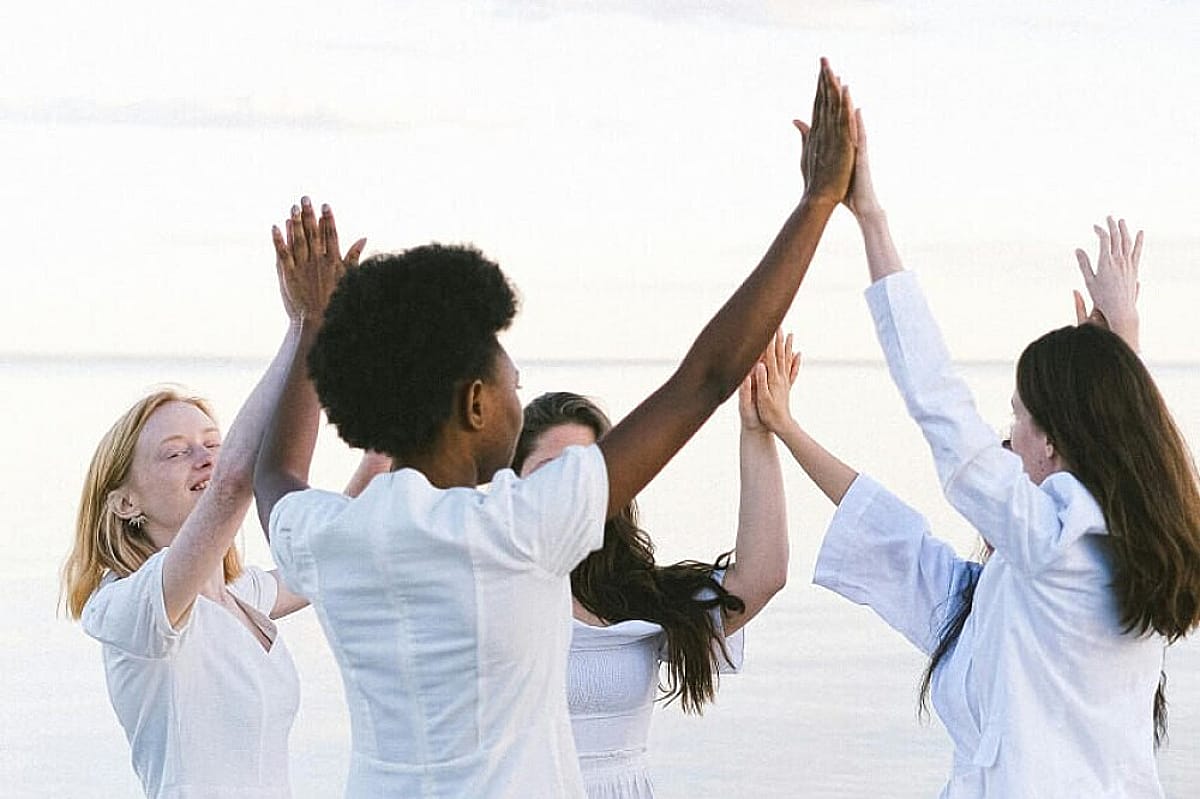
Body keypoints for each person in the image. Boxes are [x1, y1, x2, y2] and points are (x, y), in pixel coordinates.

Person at [254, 59, 857, 798]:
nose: (517, 396)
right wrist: (819, 201)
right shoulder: (518, 526)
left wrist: (314, 321)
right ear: (475, 404)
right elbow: (702, 378)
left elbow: (274, 472)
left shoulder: (329, 534)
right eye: (512, 383)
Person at [771, 108, 1200, 797]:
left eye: (1018, 417)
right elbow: (902, 542)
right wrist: (787, 429)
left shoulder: (1057, 544)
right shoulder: (1049, 571)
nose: (1007, 438)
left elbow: (940, 404)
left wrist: (872, 218)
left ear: (1056, 439)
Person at [60, 200, 364, 798]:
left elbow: (338, 546)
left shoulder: (239, 598)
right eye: (176, 452)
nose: (204, 458)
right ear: (124, 503)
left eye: (211, 443)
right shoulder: (126, 609)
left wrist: (397, 433)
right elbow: (232, 485)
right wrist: (304, 326)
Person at [508, 330, 796, 798]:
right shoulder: (487, 587)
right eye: (549, 471)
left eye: (585, 471)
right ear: (511, 481)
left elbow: (762, 576)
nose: (568, 489)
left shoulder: (635, 594)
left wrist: (757, 430)